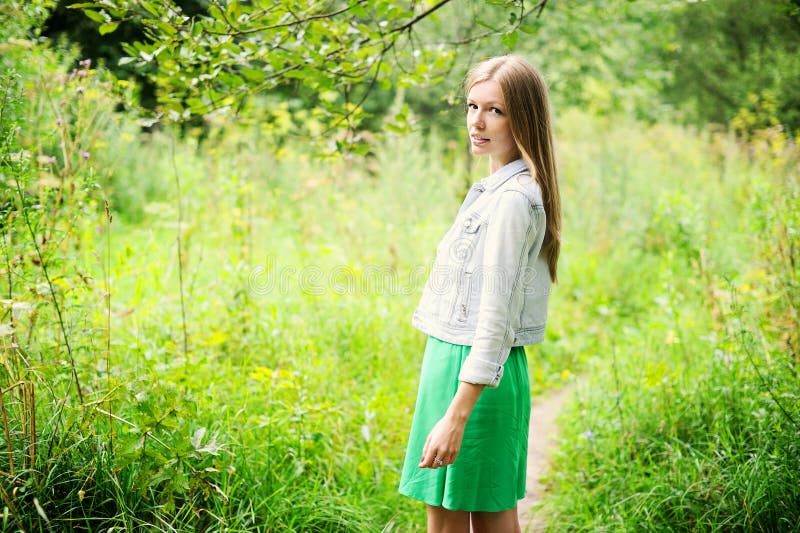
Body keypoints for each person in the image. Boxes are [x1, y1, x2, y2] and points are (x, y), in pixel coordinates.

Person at [398, 55, 561, 533]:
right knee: (445, 516)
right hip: (449, 359)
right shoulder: (495, 189)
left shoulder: (512, 201)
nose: (477, 121)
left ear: (524, 119)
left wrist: (457, 414)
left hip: (475, 376)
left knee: (484, 517)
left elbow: (496, 318)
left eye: (496, 110)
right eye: (473, 106)